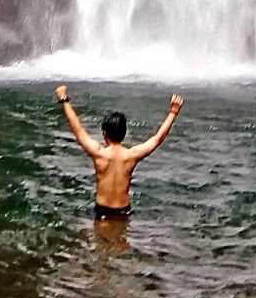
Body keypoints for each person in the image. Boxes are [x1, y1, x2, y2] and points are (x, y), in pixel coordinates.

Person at [55, 85, 184, 220]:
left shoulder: (99, 153)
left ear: (104, 133)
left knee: (100, 240)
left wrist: (65, 99)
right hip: (123, 211)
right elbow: (158, 138)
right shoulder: (131, 155)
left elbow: (77, 128)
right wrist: (173, 112)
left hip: (102, 211)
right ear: (124, 133)